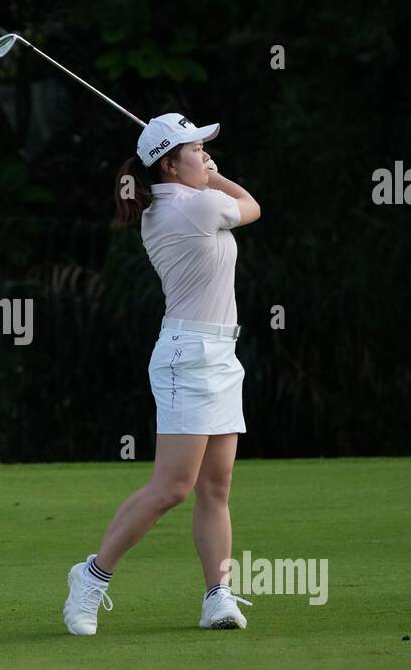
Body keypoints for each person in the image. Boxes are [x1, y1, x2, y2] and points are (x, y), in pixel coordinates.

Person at [62, 114, 262, 635]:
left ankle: (217, 596)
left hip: (219, 353)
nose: (207, 156)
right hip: (187, 355)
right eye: (198, 150)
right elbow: (253, 207)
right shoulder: (197, 206)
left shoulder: (173, 204)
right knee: (173, 486)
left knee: (216, 486)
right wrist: (216, 177)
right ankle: (90, 578)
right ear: (171, 164)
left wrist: (203, 171)